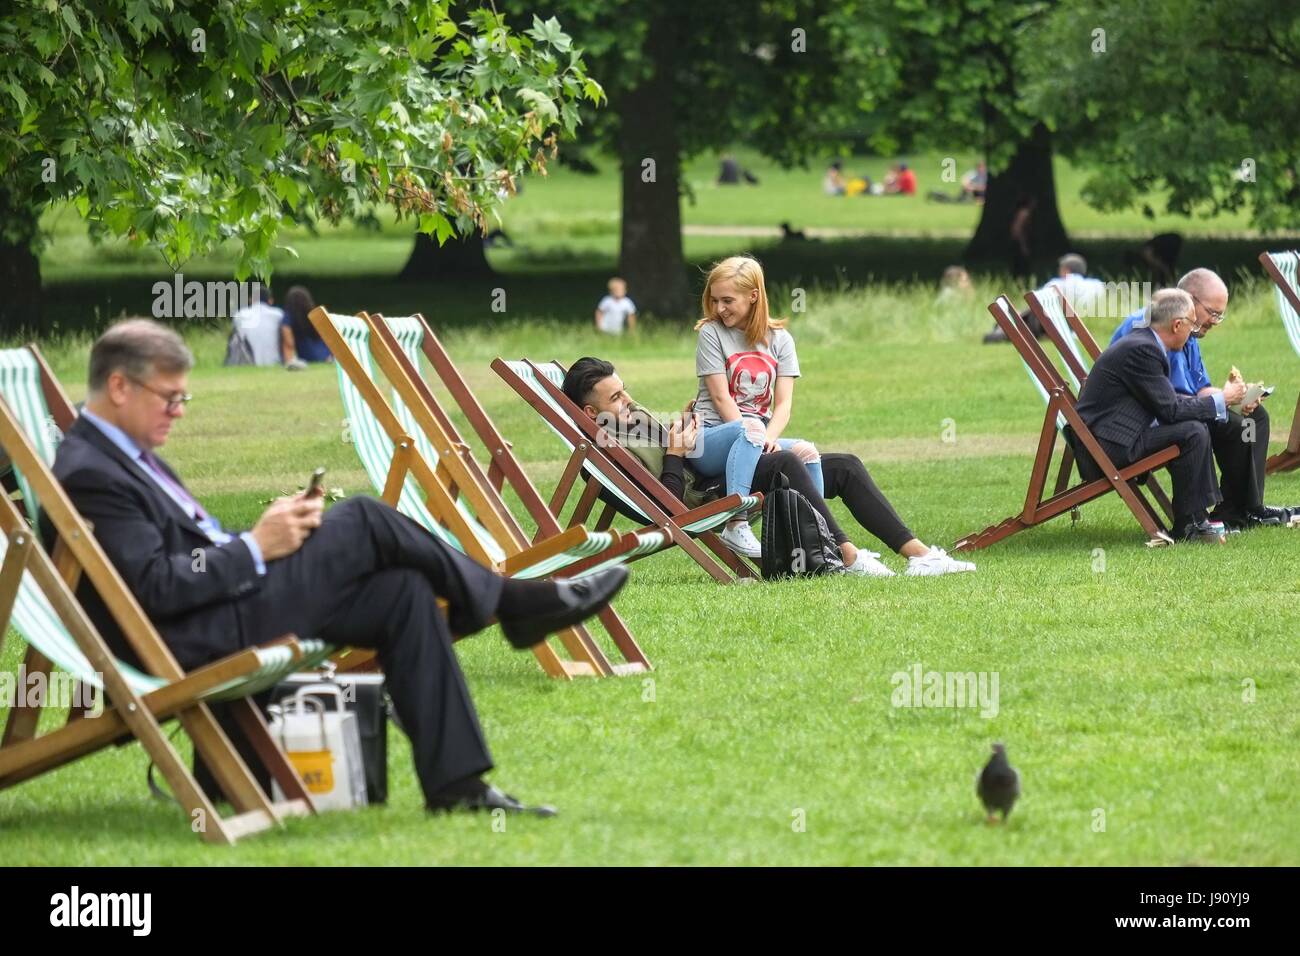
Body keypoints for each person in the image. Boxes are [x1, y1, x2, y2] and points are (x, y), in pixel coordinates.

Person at [51, 319, 631, 815]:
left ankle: (458, 784)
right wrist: (255, 546)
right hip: (187, 638)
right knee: (363, 518)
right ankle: (516, 604)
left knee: (401, 590)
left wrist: (267, 533)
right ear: (120, 386)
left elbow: (186, 552)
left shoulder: (124, 456)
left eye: (184, 399)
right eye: (169, 397)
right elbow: (154, 588)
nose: (178, 412)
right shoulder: (91, 474)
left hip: (224, 606)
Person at [561, 357, 977, 577]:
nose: (628, 400)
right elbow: (668, 505)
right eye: (615, 398)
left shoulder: (631, 420)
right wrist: (673, 451)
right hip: (708, 493)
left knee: (844, 465)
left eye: (624, 390)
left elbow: (684, 449)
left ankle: (918, 555)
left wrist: (686, 428)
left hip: (717, 470)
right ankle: (846, 556)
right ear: (588, 411)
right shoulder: (608, 449)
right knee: (784, 463)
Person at [1109, 269, 1295, 529]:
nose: (1216, 322)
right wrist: (1223, 400)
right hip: (1148, 419)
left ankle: (1246, 508)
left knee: (1253, 419)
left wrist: (1236, 395)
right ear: (1189, 298)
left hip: (1176, 407)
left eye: (1221, 315)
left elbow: (1199, 389)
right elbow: (1170, 401)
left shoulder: (1189, 330)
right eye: (1214, 313)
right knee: (1230, 427)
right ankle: (1227, 513)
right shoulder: (1153, 328)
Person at [1074, 289, 1231, 543]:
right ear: (1177, 325)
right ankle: (1190, 523)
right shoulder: (1144, 350)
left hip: (1112, 438)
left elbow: (1167, 402)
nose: (1193, 331)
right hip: (1108, 449)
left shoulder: (1143, 343)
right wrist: (1220, 401)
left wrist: (1213, 404)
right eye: (1192, 324)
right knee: (1192, 431)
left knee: (1193, 427)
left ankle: (1195, 520)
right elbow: (1171, 410)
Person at [688, 255, 819, 558]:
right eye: (715, 300)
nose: (720, 308)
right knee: (751, 427)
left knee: (807, 452)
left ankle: (816, 538)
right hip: (709, 439)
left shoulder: (781, 340)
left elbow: (784, 403)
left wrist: (769, 437)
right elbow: (721, 399)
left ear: (753, 296)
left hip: (757, 436)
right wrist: (755, 433)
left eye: (728, 300)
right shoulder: (711, 333)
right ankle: (736, 522)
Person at [230, 285, 285, 367]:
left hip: (247, 364)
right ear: (271, 301)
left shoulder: (240, 315)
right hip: (275, 363)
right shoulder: (279, 315)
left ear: (251, 300)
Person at [279, 285, 331, 368]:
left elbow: (289, 342)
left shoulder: (289, 316)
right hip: (326, 355)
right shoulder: (315, 315)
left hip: (308, 356)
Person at [1043, 253, 1107, 319]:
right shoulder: (1097, 285)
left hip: (1062, 324)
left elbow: (1038, 302)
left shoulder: (1055, 284)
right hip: (1091, 323)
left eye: (1060, 269)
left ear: (1066, 270)